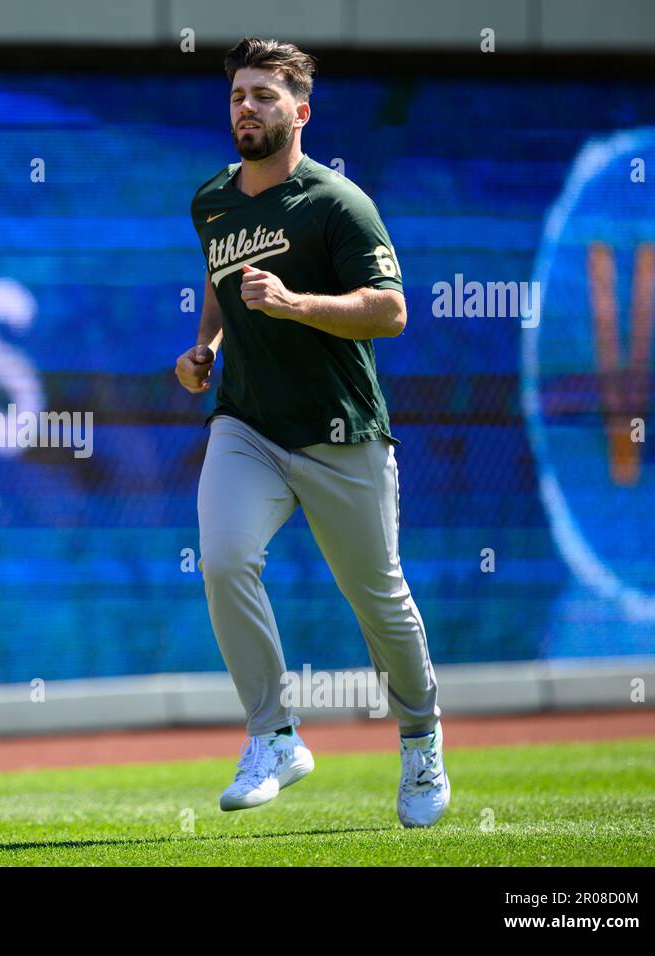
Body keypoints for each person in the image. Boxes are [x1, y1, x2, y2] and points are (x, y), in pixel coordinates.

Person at [175, 36, 449, 827]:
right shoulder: (212, 201)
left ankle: (421, 740)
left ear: (300, 111)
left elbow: (391, 312)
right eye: (237, 95)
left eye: (264, 95)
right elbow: (222, 282)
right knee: (225, 559)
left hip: (341, 432)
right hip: (249, 425)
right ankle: (273, 736)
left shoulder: (337, 203)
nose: (246, 107)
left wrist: (298, 305)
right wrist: (207, 349)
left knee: (379, 600)